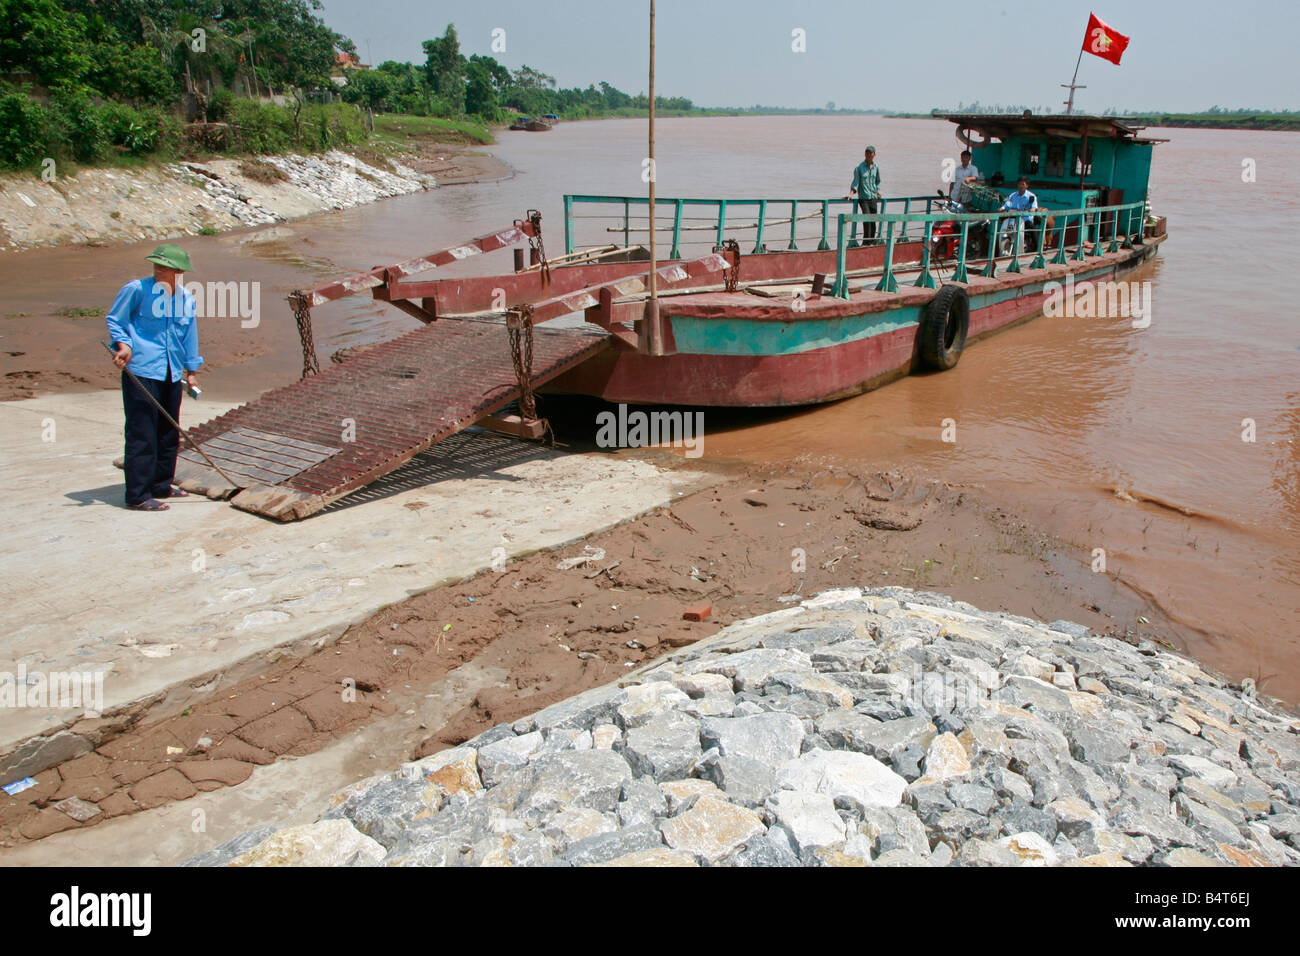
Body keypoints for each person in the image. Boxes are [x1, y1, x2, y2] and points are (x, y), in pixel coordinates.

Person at [106, 244, 203, 512]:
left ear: (179, 271)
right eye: (157, 266)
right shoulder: (136, 289)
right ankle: (137, 495)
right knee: (142, 432)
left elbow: (189, 336)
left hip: (171, 371)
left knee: (168, 431)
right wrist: (123, 345)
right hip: (142, 370)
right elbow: (116, 320)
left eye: (167, 268)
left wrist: (192, 371)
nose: (160, 271)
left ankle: (161, 485)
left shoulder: (185, 299)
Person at [845, 145, 882, 245]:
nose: (869, 155)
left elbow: (878, 181)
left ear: (874, 154)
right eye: (867, 153)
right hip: (864, 199)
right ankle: (866, 243)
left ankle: (872, 242)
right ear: (865, 154)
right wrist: (850, 194)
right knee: (867, 219)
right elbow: (855, 184)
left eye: (871, 153)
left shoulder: (876, 167)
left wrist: (878, 190)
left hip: (873, 198)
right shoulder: (859, 168)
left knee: (873, 221)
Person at [999, 177, 1040, 251]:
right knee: (1001, 222)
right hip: (1013, 218)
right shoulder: (1013, 195)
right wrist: (1002, 208)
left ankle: (1038, 249)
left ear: (1026, 185)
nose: (1021, 186)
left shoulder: (1031, 196)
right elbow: (1008, 204)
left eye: (1023, 184)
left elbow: (1034, 207)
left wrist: (1032, 209)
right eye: (1019, 184)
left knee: (1033, 229)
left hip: (1025, 219)